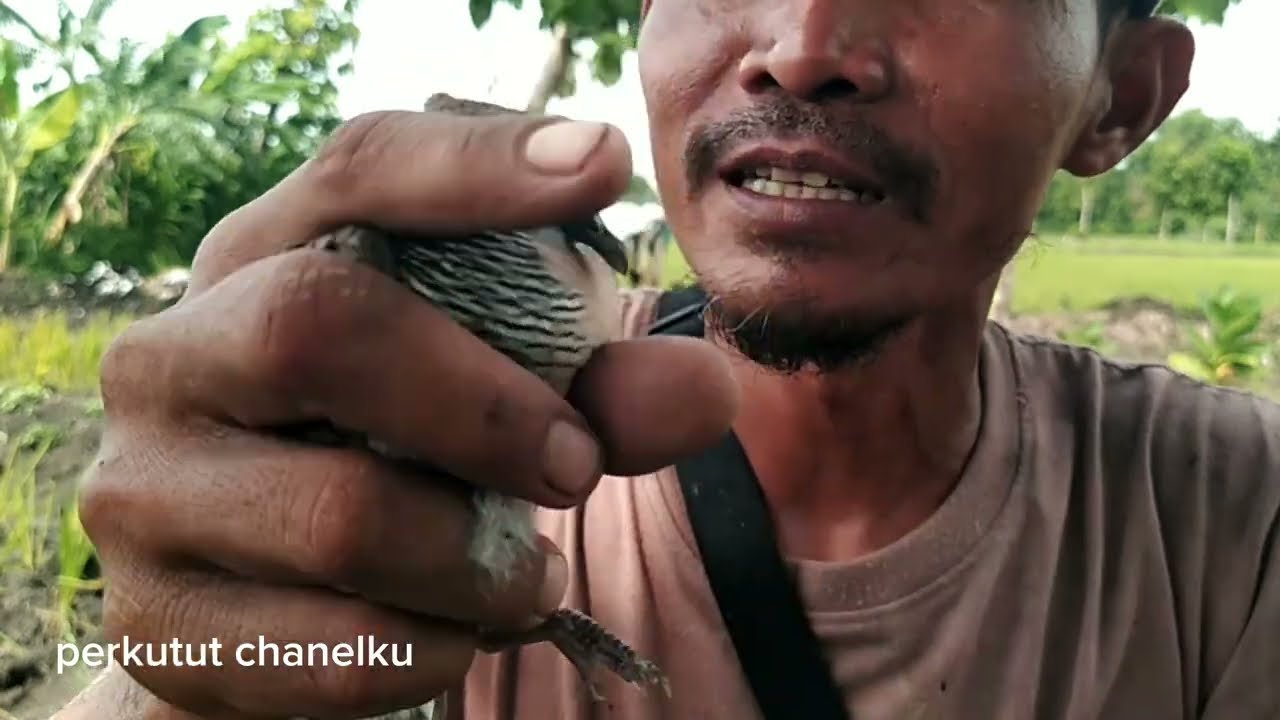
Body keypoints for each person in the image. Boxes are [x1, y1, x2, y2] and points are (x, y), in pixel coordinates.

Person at [51, 0, 1279, 717]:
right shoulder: (419, 462)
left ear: (1120, 96)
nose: (802, 43)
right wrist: (183, 673)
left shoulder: (1235, 518)